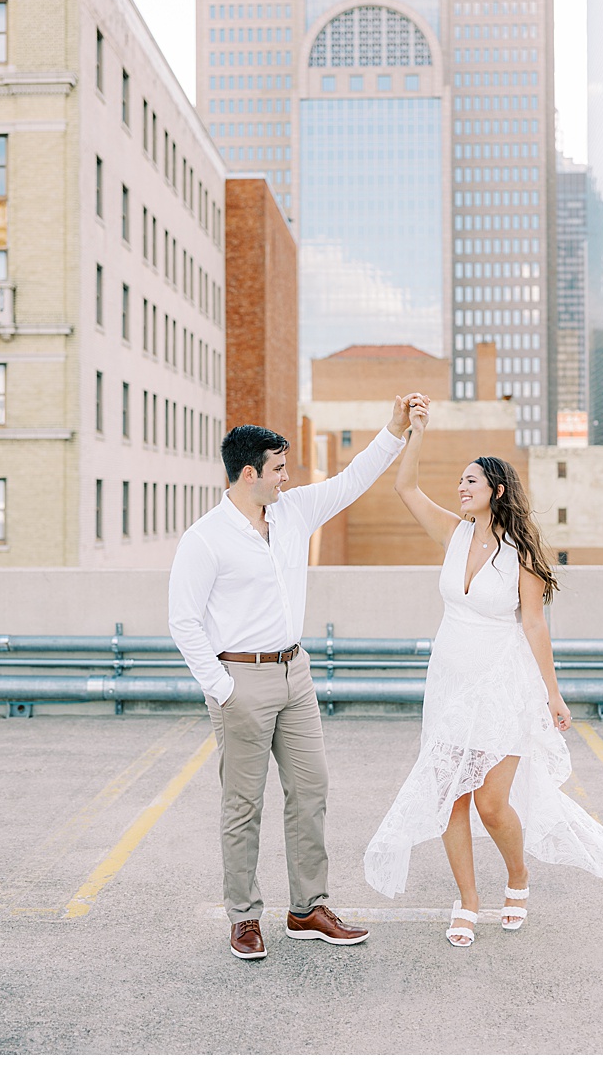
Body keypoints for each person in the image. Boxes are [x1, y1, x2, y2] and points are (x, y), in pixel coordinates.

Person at [363, 397, 603, 946]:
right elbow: (405, 489)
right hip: (448, 683)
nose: (461, 487)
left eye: (471, 481)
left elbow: (535, 628)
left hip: (502, 686)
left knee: (492, 805)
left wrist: (554, 697)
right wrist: (416, 431)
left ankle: (518, 878)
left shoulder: (521, 554)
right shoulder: (454, 534)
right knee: (450, 800)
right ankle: (468, 900)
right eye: (460, 481)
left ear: (496, 490)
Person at [168, 396, 421, 962]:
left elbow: (354, 479)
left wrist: (394, 429)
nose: (289, 476)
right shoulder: (205, 538)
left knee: (311, 791)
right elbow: (183, 621)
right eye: (279, 468)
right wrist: (222, 687)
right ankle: (244, 918)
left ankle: (308, 908)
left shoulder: (294, 511)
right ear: (250, 473)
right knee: (243, 806)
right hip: (240, 679)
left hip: (295, 673)